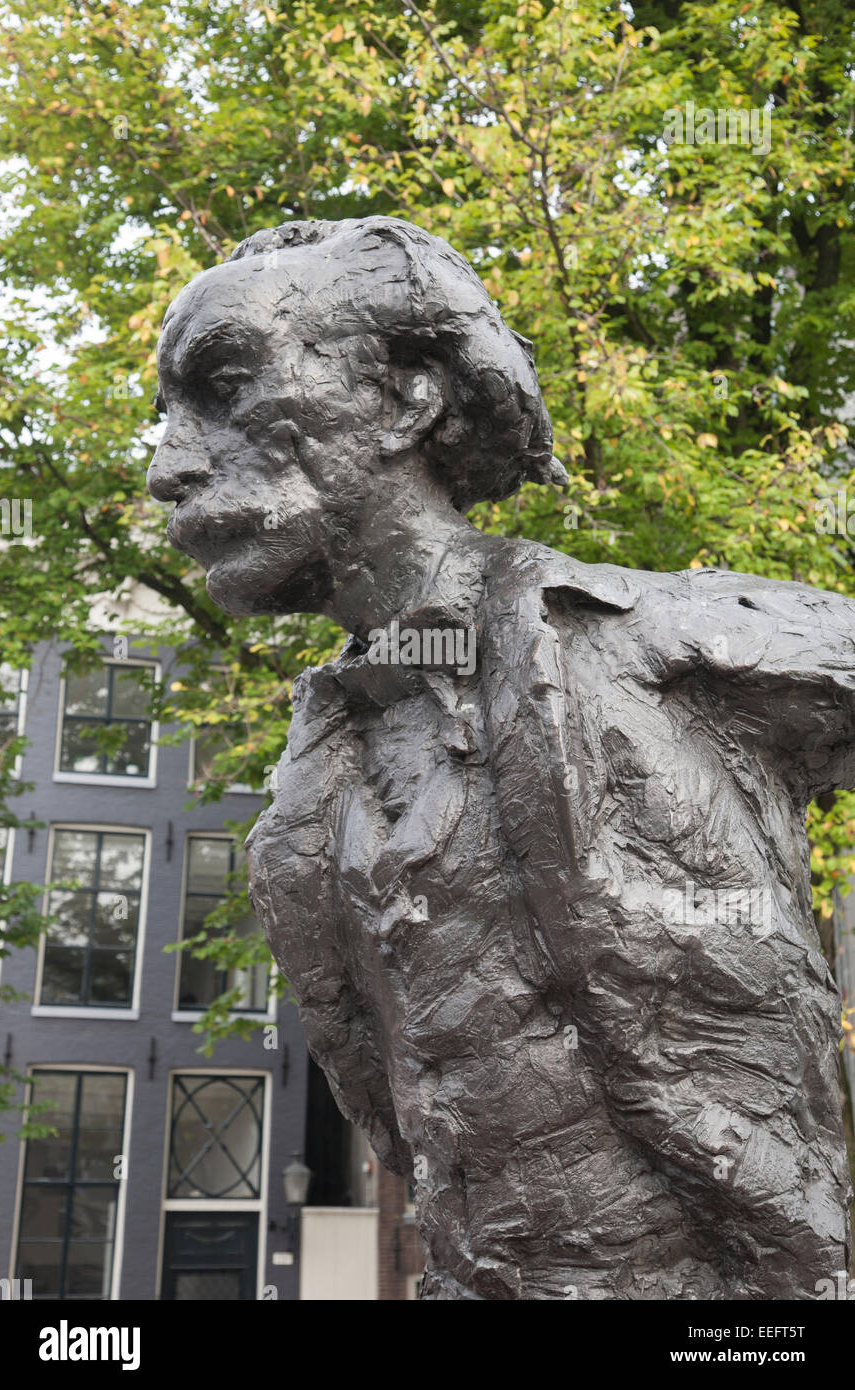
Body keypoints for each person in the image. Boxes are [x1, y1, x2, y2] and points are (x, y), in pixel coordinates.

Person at [148, 216, 854, 1300]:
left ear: (405, 398)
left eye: (226, 385)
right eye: (167, 413)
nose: (168, 467)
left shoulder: (666, 646)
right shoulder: (307, 791)